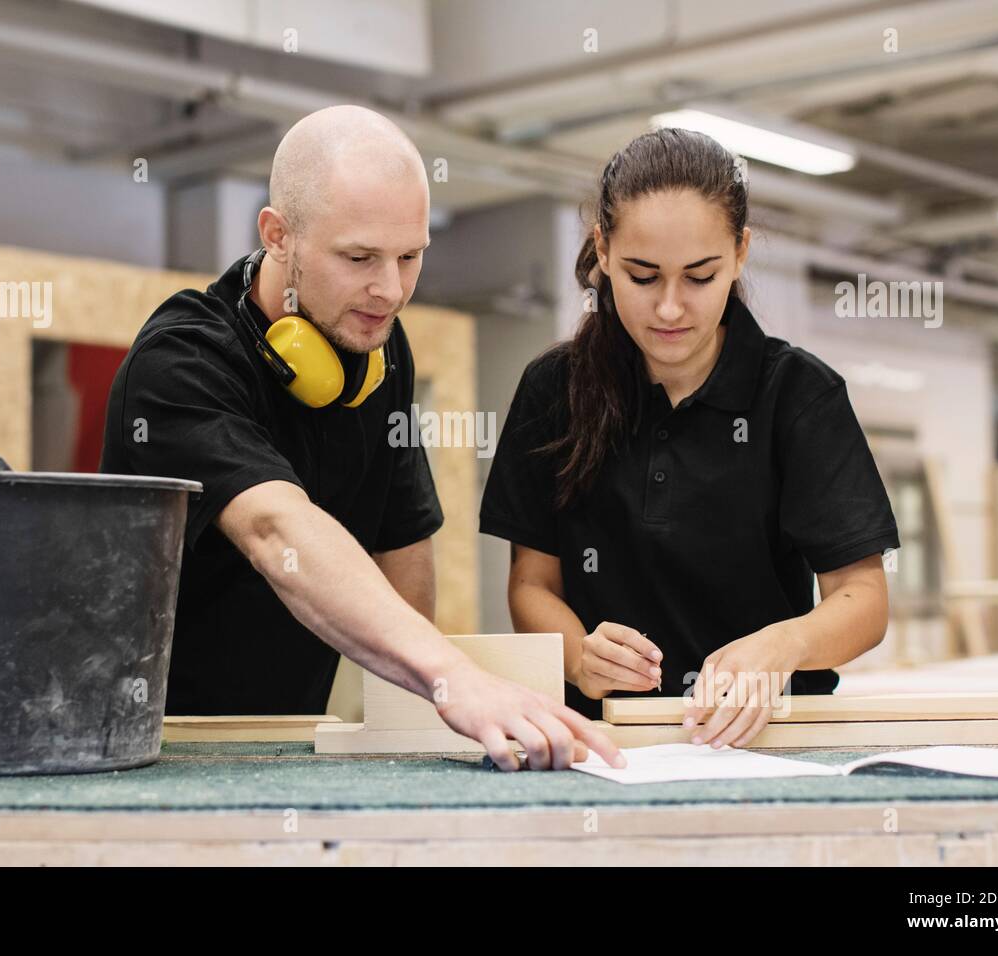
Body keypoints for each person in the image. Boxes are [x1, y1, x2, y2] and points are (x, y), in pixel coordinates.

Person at [101, 105, 623, 772]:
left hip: (290, 744)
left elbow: (402, 549)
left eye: (411, 256)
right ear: (279, 235)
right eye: (359, 258)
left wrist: (426, 732)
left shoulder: (378, 350)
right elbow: (275, 528)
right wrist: (451, 676)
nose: (391, 289)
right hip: (156, 750)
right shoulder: (182, 363)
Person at [480, 127, 900, 750]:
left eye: (700, 277)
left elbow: (863, 597)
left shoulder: (799, 396)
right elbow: (532, 585)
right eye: (642, 276)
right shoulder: (554, 390)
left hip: (769, 742)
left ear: (740, 254)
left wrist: (783, 646)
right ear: (602, 249)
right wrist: (577, 657)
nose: (670, 309)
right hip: (605, 744)